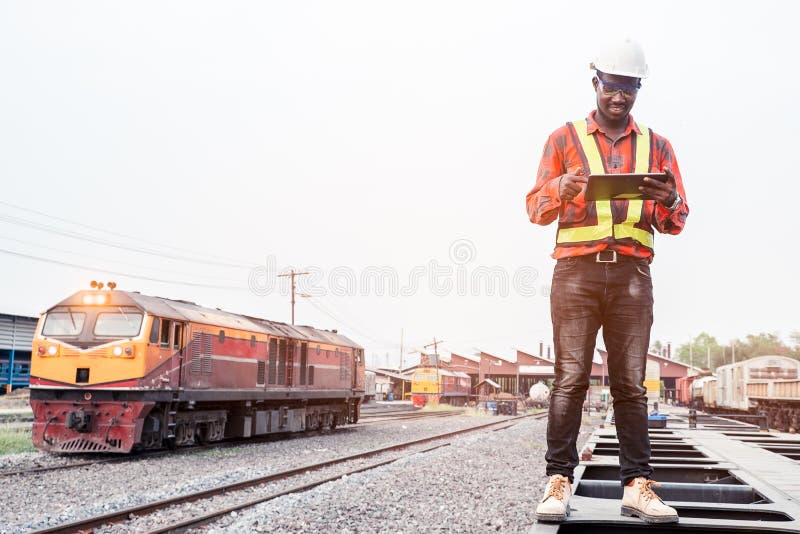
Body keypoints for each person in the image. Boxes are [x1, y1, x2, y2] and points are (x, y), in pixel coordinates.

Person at [525, 38, 688, 524]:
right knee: (570, 379)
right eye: (611, 88)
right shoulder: (563, 139)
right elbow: (535, 208)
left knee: (631, 386)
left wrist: (670, 198)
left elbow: (676, 221)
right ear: (596, 83)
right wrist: (560, 187)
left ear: (638, 89)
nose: (619, 98)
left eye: (628, 89)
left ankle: (638, 485)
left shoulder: (658, 146)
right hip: (575, 273)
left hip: (633, 275)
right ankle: (558, 480)